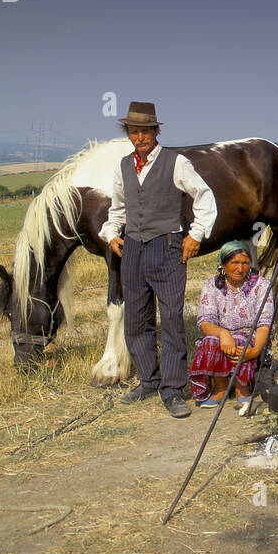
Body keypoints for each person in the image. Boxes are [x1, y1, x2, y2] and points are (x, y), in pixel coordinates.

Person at [100, 101, 218, 418]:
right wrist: (111, 233)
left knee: (170, 320)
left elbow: (205, 196)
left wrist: (196, 234)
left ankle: (172, 388)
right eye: (133, 131)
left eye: (145, 131)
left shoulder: (175, 162)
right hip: (133, 249)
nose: (139, 136)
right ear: (129, 133)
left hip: (167, 246)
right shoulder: (123, 166)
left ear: (156, 131)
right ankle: (149, 380)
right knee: (137, 320)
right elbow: (118, 209)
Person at [189, 241, 273, 406]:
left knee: (243, 341)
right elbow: (205, 321)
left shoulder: (261, 285)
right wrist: (223, 333)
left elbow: (265, 322)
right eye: (234, 263)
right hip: (222, 333)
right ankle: (221, 388)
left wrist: (255, 350)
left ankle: (241, 387)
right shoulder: (211, 286)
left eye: (245, 263)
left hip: (251, 335)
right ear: (223, 265)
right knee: (210, 341)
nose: (240, 269)